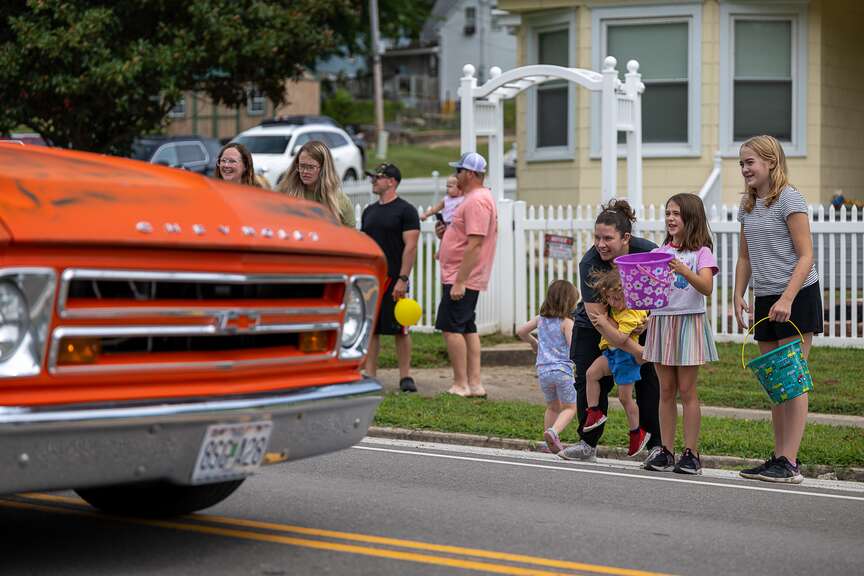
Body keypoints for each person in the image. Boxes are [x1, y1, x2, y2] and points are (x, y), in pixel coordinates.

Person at [734, 135, 821, 484]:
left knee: (792, 379)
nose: (744, 169)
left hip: (797, 296)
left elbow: (806, 256)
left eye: (750, 162)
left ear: (771, 162)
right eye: (741, 164)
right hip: (765, 297)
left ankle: (790, 461)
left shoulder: (790, 199)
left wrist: (787, 298)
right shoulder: (748, 203)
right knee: (775, 382)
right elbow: (744, 256)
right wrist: (738, 294)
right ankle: (779, 457)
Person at [560, 198, 661, 462]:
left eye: (608, 238)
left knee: (648, 383)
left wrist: (647, 324)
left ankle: (657, 447)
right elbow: (599, 319)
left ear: (626, 237)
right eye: (597, 237)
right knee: (588, 378)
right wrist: (637, 349)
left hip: (637, 324)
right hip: (594, 326)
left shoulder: (647, 253)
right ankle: (587, 443)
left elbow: (658, 296)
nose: (600, 244)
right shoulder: (590, 263)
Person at [641, 193, 719, 475]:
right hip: (662, 322)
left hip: (688, 322)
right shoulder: (659, 251)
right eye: (667, 214)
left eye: (676, 214)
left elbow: (706, 288)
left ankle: (691, 453)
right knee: (665, 391)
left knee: (686, 391)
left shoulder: (702, 253)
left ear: (691, 218)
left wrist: (685, 270)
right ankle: (666, 451)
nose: (670, 219)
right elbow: (648, 289)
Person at [434, 152, 498, 398]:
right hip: (460, 274)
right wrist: (446, 233)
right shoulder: (475, 198)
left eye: (459, 171)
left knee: (451, 329)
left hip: (460, 276)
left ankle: (461, 384)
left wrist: (459, 281)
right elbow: (465, 236)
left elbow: (475, 243)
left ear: (470, 174)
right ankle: (474, 384)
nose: (456, 175)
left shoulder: (476, 201)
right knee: (467, 327)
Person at [360, 163, 421, 392]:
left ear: (392, 181)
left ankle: (406, 377)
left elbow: (411, 247)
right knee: (372, 328)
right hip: (373, 279)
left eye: (378, 177)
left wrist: (403, 278)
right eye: (373, 177)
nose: (373, 181)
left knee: (401, 328)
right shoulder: (369, 211)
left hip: (396, 278)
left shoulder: (406, 211)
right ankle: (370, 374)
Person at [583, 269, 651, 458]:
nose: (614, 303)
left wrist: (604, 323)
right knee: (591, 374)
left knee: (625, 399)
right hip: (612, 354)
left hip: (626, 358)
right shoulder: (615, 306)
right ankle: (595, 411)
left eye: (617, 299)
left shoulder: (631, 314)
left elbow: (621, 338)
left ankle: (637, 432)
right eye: (610, 298)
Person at [516, 280, 579, 455]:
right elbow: (573, 347)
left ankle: (547, 443)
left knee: (552, 407)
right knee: (570, 407)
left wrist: (534, 343)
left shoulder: (541, 319)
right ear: (570, 302)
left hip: (543, 371)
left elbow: (521, 331)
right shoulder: (567, 322)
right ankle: (554, 432)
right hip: (562, 371)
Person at [277, 140, 355, 227]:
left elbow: (352, 236)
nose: (305, 171)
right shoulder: (283, 193)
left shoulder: (340, 201)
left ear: (324, 169)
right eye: (302, 166)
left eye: (311, 167)